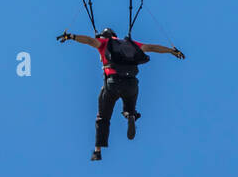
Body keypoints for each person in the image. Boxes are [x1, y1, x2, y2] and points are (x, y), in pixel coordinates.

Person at [58, 27, 185, 161]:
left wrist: (71, 36)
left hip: (112, 84)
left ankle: (97, 151)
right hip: (131, 83)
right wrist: (171, 51)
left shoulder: (103, 42)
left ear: (104, 36)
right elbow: (151, 47)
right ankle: (130, 114)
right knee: (130, 105)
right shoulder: (130, 44)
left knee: (103, 117)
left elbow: (89, 40)